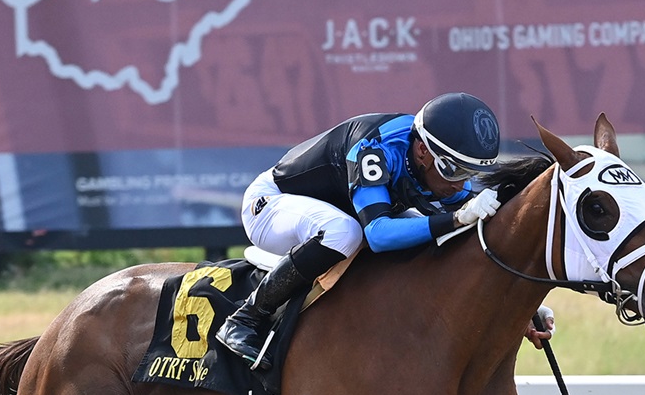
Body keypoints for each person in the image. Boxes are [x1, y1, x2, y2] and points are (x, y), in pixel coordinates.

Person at [216, 92, 519, 369]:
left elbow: (472, 233)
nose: (459, 185)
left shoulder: (433, 162)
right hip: (269, 206)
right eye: (453, 170)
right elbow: (377, 233)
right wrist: (454, 219)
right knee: (346, 232)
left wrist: (524, 308)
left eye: (471, 174)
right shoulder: (375, 148)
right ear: (422, 150)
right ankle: (245, 318)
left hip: (333, 211)